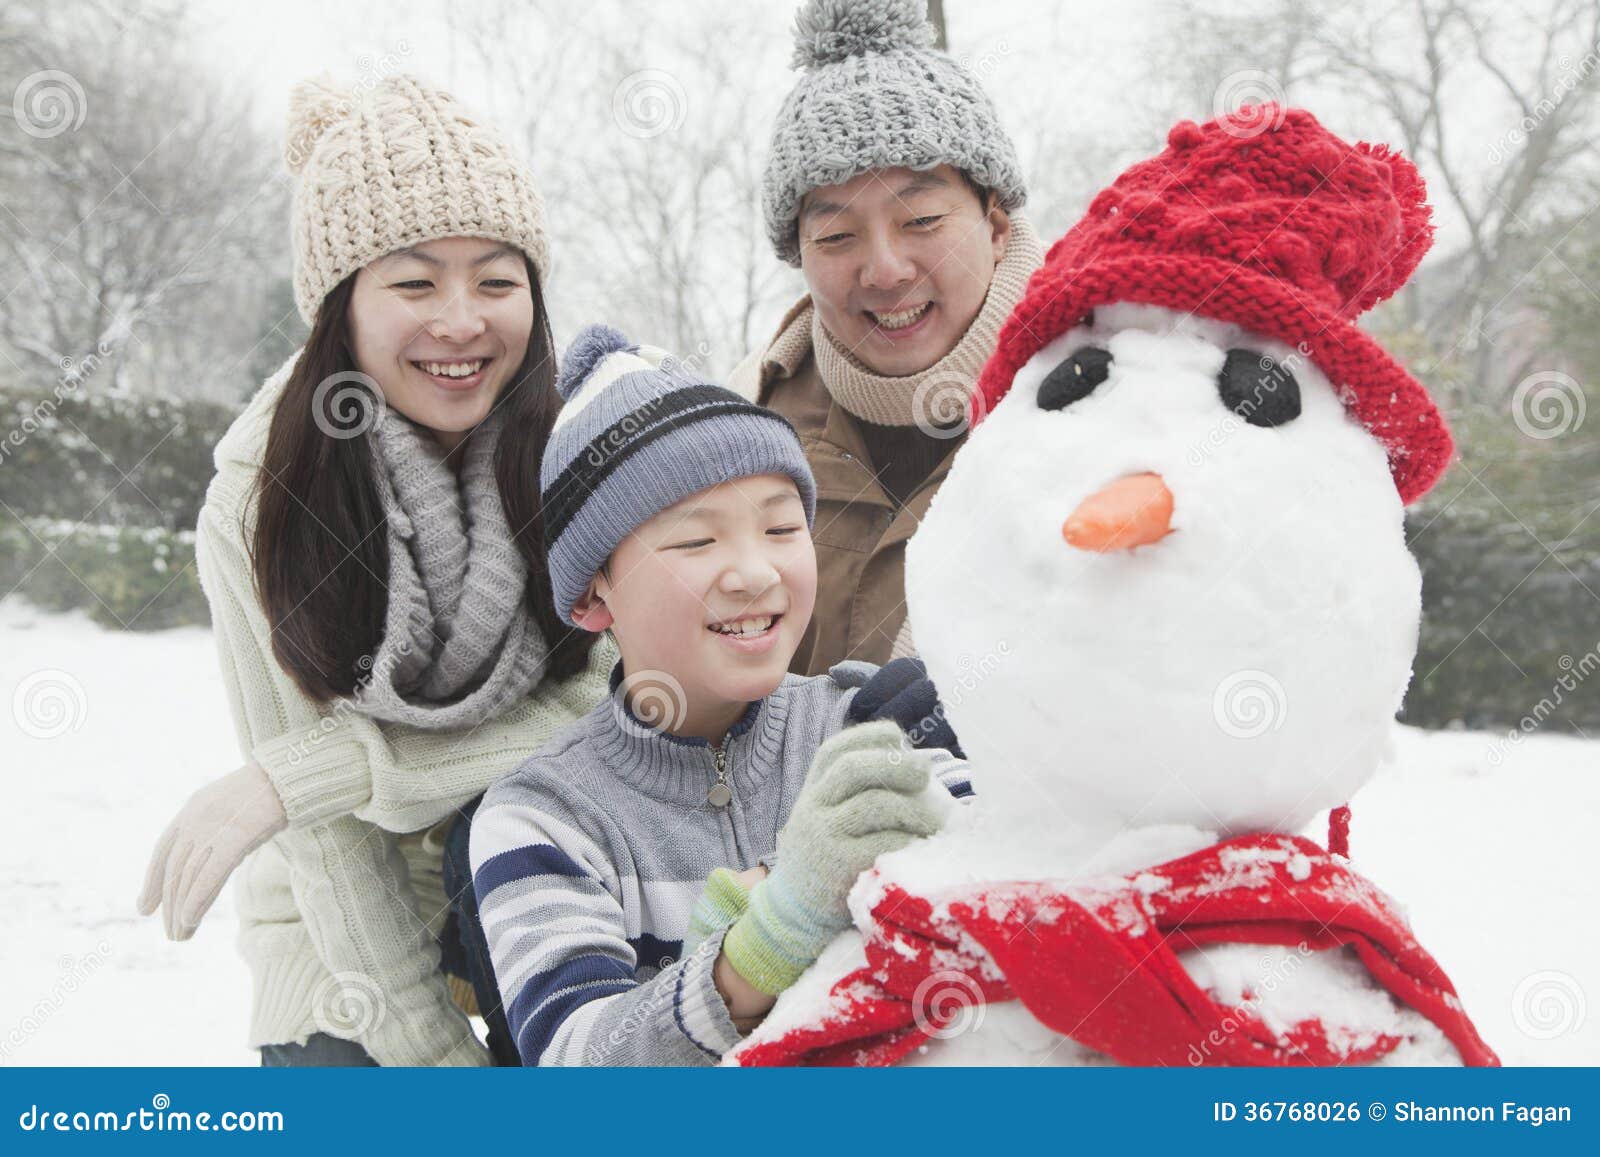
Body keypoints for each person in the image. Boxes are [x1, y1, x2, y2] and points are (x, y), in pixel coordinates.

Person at [135, 73, 615, 1066]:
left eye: (496, 278)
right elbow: (324, 839)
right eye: (413, 282)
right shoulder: (259, 497)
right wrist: (435, 1061)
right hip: (335, 926)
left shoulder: (579, 443)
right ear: (340, 308)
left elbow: (615, 705)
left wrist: (326, 771)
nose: (461, 320)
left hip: (567, 866)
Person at [468, 325, 972, 1065]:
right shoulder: (542, 817)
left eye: (780, 526)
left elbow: (1017, 895)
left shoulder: (869, 724)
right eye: (695, 541)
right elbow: (577, 1060)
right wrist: (768, 937)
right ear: (590, 593)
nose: (754, 572)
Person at [730, 0, 1045, 673]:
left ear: (995, 226)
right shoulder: (748, 435)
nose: (884, 270)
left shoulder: (1094, 402)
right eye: (838, 235)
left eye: (922, 219)